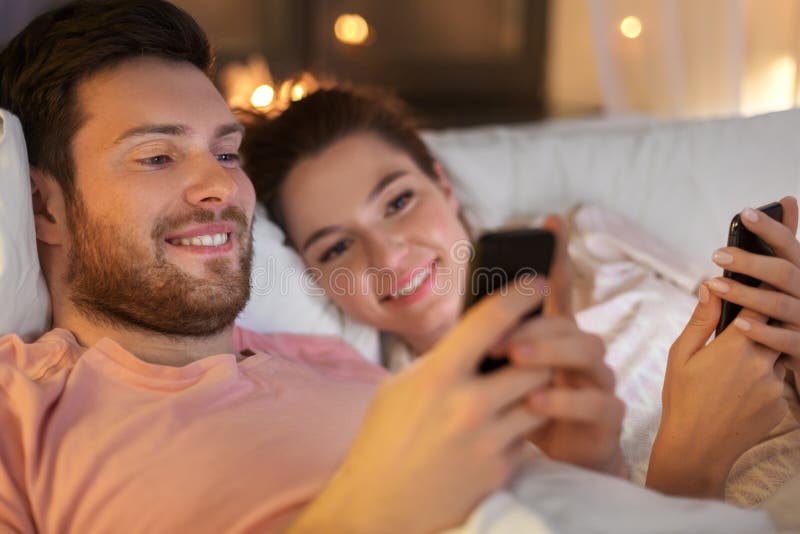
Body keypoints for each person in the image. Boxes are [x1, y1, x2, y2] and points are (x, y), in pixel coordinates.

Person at [0, 1, 632, 532]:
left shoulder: (332, 361)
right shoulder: (21, 414)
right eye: (158, 157)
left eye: (226, 153)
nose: (218, 187)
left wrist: (590, 470)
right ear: (43, 207)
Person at [241, 86, 799, 500]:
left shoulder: (590, 237)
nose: (387, 257)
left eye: (398, 202)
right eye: (337, 248)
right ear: (313, 276)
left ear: (442, 184)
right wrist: (690, 455)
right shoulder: (402, 424)